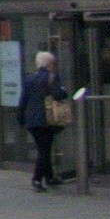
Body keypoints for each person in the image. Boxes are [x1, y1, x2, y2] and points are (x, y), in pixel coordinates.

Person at [17, 50, 68, 191]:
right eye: (53, 64)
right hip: (47, 119)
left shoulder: (28, 79)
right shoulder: (52, 77)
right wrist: (64, 90)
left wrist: (21, 120)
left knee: (43, 147)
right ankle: (37, 179)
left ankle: (49, 177)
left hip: (32, 120)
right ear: (49, 64)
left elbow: (23, 101)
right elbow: (58, 95)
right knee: (44, 149)